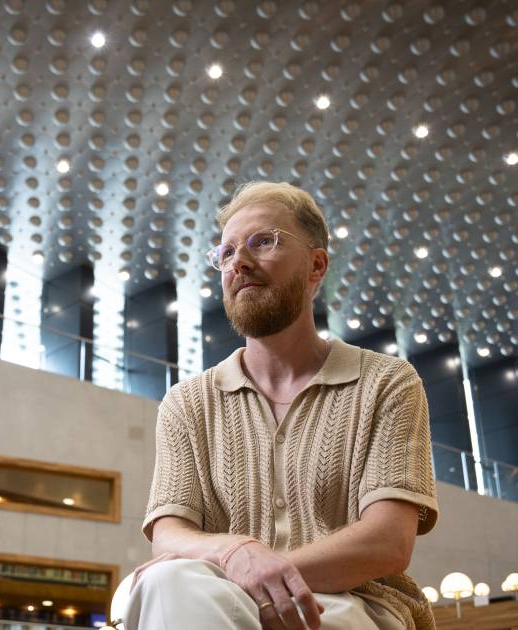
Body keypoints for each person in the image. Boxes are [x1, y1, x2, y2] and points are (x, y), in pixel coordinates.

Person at [123, 182, 439, 630]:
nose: (240, 263)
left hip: (352, 606)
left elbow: (387, 543)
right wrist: (238, 556)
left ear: (316, 265)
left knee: (170, 587)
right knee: (166, 582)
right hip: (214, 599)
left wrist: (259, 575)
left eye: (263, 242)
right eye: (227, 252)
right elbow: (169, 535)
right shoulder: (186, 403)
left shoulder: (387, 383)